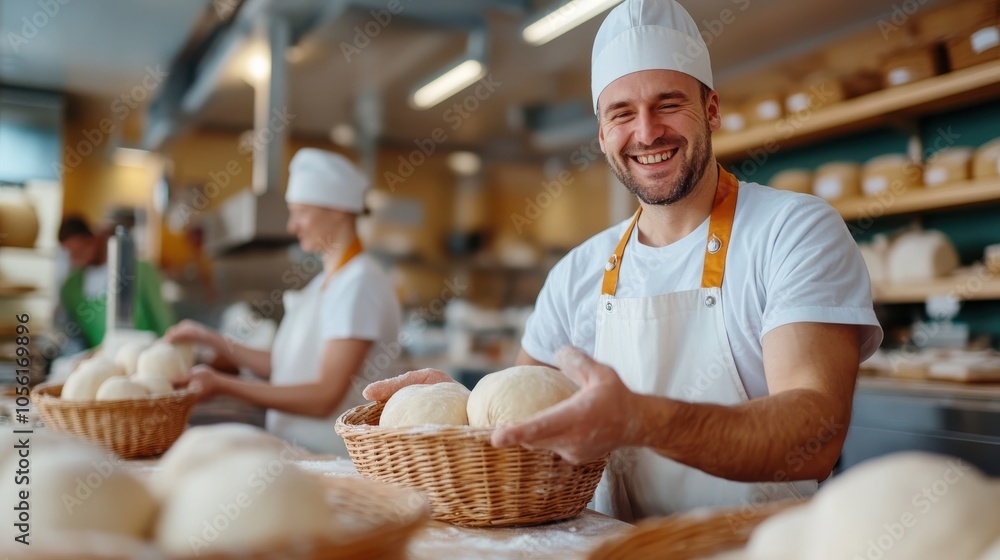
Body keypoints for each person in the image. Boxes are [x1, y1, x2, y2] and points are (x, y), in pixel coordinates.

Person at [365, 0, 883, 521]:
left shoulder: (793, 231)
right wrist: (458, 406)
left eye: (668, 103)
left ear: (712, 110)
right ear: (601, 135)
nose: (647, 131)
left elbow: (815, 432)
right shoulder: (577, 272)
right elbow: (526, 421)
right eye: (621, 113)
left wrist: (641, 420)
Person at [167, 148, 402, 456]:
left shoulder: (360, 284)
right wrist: (211, 339)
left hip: (337, 461)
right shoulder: (325, 283)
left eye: (301, 212)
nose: (292, 226)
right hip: (305, 454)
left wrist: (222, 385)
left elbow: (323, 398)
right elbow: (285, 366)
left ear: (338, 210)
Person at [57, 216, 175, 348]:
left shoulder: (140, 271)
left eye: (81, 249)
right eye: (72, 254)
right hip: (99, 360)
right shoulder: (71, 286)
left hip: (143, 354)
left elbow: (163, 321)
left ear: (94, 239)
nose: (78, 258)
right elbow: (75, 335)